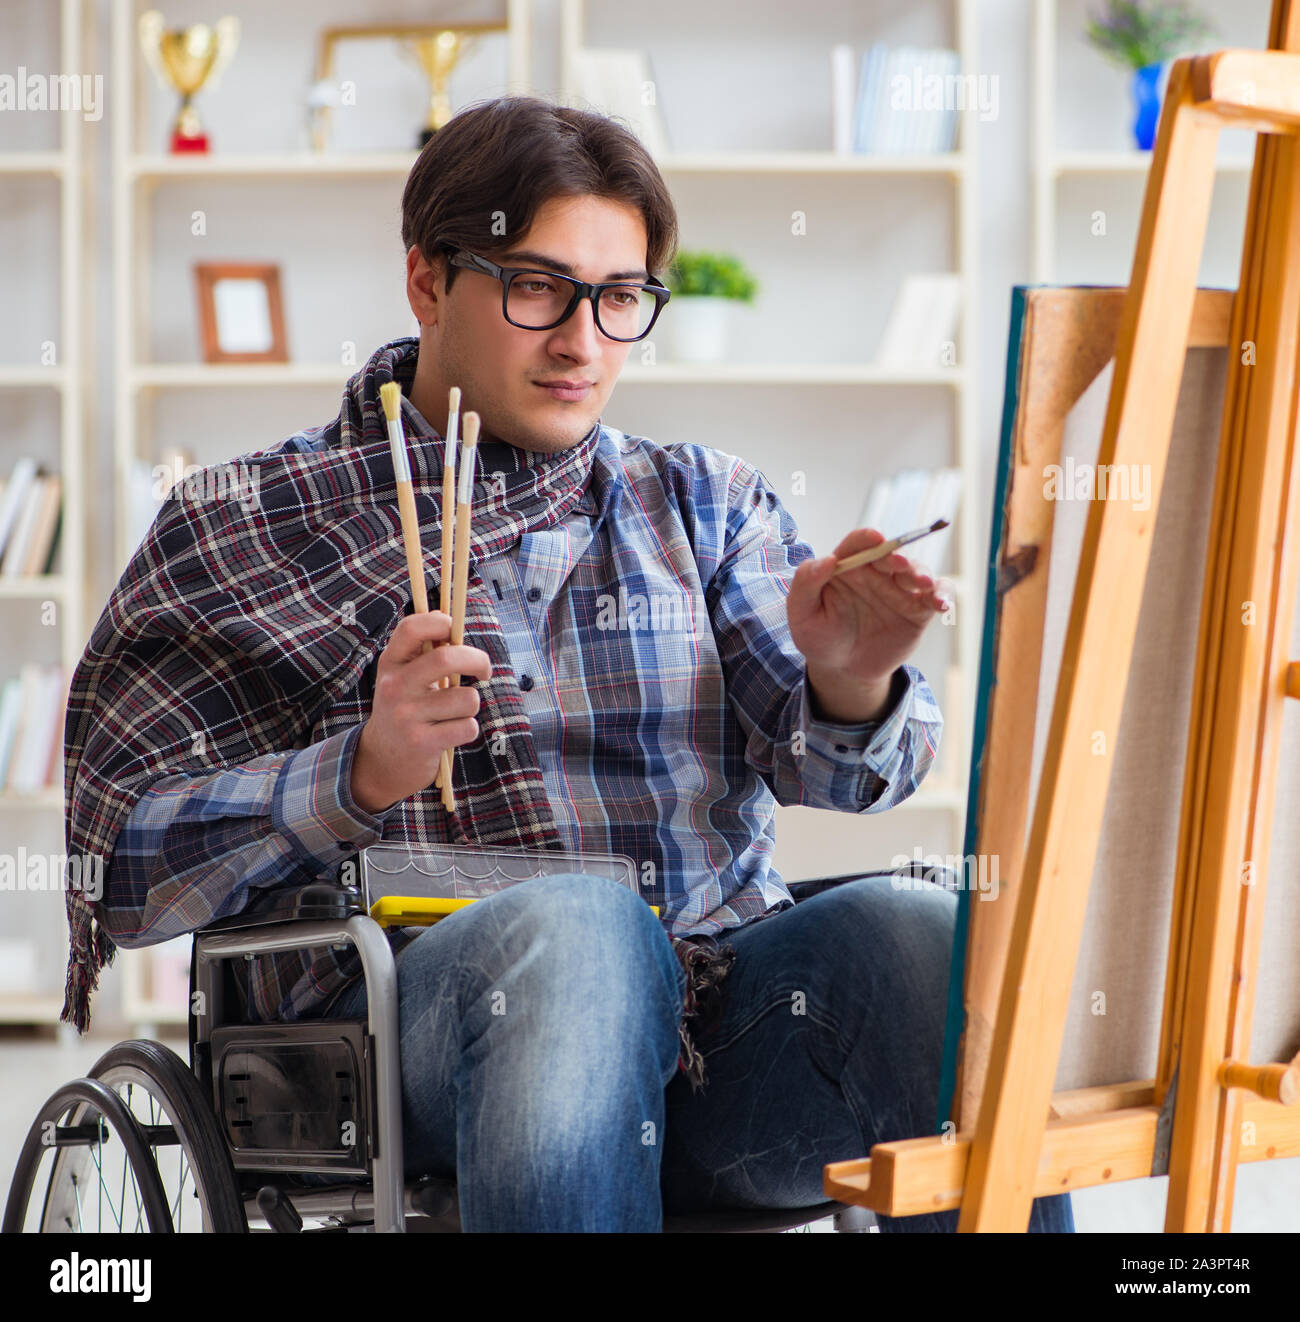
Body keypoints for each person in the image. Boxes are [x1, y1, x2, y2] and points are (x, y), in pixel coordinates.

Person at [63, 94, 1073, 1234]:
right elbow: (123, 867)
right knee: (581, 936)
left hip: (720, 1036)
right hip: (405, 1047)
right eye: (537, 287)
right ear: (427, 280)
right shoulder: (243, 520)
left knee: (924, 938)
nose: (582, 340)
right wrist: (359, 771)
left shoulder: (704, 500)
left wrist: (849, 678)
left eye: (620, 296)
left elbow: (849, 776)